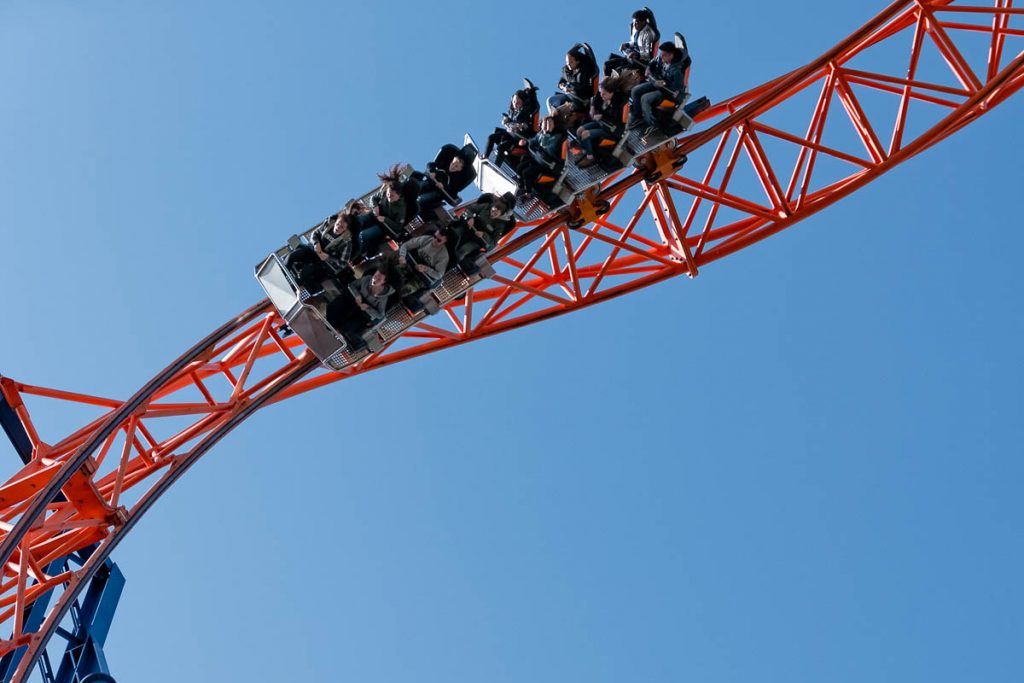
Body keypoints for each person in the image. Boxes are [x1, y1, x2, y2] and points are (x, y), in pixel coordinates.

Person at [626, 41, 687, 135]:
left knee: (645, 99)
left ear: (671, 55)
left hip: (666, 92)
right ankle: (638, 116)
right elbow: (653, 61)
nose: (661, 57)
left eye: (664, 55)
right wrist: (649, 68)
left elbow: (678, 88)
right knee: (635, 90)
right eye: (661, 54)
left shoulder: (676, 71)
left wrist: (665, 84)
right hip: (655, 83)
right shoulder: (661, 58)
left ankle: (651, 124)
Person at [285, 210, 356, 290]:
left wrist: (328, 257)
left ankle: (290, 289)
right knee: (292, 256)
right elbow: (315, 233)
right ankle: (282, 273)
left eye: (341, 227)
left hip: (322, 263)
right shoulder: (329, 223)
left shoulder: (346, 243)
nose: (338, 227)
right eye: (338, 223)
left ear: (345, 230)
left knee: (305, 272)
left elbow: (342, 263)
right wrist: (316, 243)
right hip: (312, 251)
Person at [324, 268, 395, 341]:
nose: (375, 279)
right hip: (352, 301)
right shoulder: (367, 279)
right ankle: (330, 325)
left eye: (379, 279)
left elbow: (380, 315)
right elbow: (352, 285)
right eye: (375, 276)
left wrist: (368, 308)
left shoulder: (383, 298)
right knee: (336, 307)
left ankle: (339, 333)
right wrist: (357, 295)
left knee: (351, 325)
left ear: (383, 282)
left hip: (362, 313)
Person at [353, 165, 408, 256]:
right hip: (373, 215)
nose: (389, 196)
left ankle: (360, 253)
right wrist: (375, 206)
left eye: (392, 195)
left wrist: (385, 219)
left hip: (382, 226)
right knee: (357, 220)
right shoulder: (385, 193)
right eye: (388, 194)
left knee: (363, 235)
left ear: (398, 196)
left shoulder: (401, 209)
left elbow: (398, 227)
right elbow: (373, 198)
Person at [574, 76, 629, 168]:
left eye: (604, 94)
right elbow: (595, 98)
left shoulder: (617, 104)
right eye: (601, 93)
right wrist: (592, 107)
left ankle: (590, 158)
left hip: (611, 129)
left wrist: (602, 117)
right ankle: (586, 151)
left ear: (611, 93)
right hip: (600, 123)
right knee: (579, 130)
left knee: (585, 134)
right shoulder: (602, 96)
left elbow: (615, 121)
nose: (601, 95)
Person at [449, 193, 517, 265]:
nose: (492, 214)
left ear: (502, 214)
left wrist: (484, 235)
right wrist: (470, 218)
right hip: (468, 228)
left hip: (477, 240)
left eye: (496, 214)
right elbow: (469, 209)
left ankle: (450, 264)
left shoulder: (501, 226)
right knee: (454, 234)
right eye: (493, 210)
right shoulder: (486, 206)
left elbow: (492, 244)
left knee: (463, 250)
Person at [415, 144, 477, 220]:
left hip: (437, 193)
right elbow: (430, 164)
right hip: (429, 183)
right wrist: (432, 171)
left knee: (420, 201)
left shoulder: (456, 180)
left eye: (456, 166)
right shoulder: (443, 163)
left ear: (460, 169)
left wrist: (443, 186)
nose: (453, 167)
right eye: (453, 163)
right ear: (453, 159)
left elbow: (453, 194)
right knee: (415, 187)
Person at [484, 85, 539, 167]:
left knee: (501, 148)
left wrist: (532, 93)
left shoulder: (525, 112)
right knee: (491, 137)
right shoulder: (512, 112)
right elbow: (511, 120)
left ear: (523, 102)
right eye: (514, 102)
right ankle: (485, 157)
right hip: (511, 134)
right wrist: (507, 120)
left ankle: (496, 167)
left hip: (519, 138)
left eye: (518, 102)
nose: (515, 104)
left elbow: (534, 107)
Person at [515, 115, 566, 200]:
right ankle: (521, 185)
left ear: (554, 125)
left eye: (550, 123)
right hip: (540, 160)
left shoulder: (557, 137)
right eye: (545, 123)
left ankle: (529, 194)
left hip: (550, 165)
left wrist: (544, 137)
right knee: (520, 166)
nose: (547, 125)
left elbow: (550, 150)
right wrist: (526, 142)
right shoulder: (541, 134)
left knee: (526, 172)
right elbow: (533, 141)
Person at [396, 227, 451, 297]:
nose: (434, 240)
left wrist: (426, 269)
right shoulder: (426, 239)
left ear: (445, 241)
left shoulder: (444, 256)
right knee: (392, 275)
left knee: (402, 292)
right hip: (409, 265)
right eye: (434, 236)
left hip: (420, 278)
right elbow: (405, 245)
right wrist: (402, 256)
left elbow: (438, 275)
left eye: (438, 240)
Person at [604, 8, 660, 76]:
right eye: (634, 22)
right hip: (632, 59)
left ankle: (614, 84)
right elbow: (635, 43)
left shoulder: (648, 35)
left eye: (636, 22)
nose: (634, 25)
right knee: (607, 64)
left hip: (641, 63)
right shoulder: (638, 30)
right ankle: (606, 83)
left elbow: (646, 55)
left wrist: (636, 55)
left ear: (643, 22)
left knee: (617, 71)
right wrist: (626, 45)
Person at [547, 47, 598, 114]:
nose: (569, 65)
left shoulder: (584, 72)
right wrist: (563, 87)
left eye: (571, 62)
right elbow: (561, 82)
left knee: (560, 111)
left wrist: (572, 88)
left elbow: (586, 90)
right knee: (550, 100)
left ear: (577, 61)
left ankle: (558, 120)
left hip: (579, 100)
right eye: (567, 62)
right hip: (569, 96)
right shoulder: (567, 70)